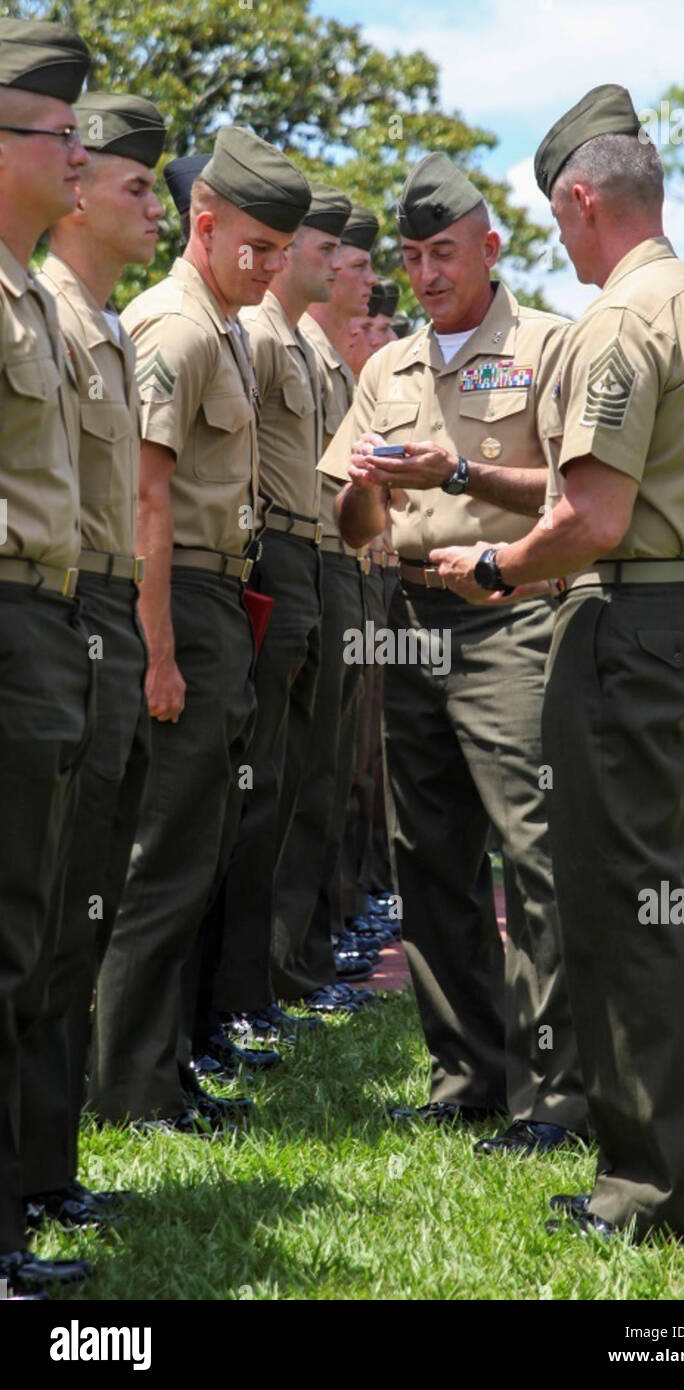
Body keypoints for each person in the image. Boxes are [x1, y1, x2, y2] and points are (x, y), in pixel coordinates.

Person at [431, 85, 684, 1241]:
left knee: (624, 913)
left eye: (558, 224)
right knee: (656, 899)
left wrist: (498, 568)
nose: (560, 247)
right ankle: (670, 1174)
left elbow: (595, 517)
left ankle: (656, 1194)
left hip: (623, 627)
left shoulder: (620, 319)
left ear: (581, 199)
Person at [320, 152, 587, 1153]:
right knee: (426, 854)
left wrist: (460, 466)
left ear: (490, 247)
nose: (427, 275)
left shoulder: (549, 346)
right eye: (412, 258)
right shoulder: (385, 366)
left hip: (511, 611)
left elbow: (574, 490)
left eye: (444, 253)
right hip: (404, 610)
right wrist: (363, 485)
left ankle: (557, 1092)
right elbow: (354, 527)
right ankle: (466, 1074)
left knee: (535, 853)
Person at [87, 126, 310, 1131]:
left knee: (199, 848)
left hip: (221, 598)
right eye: (252, 246)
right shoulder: (175, 329)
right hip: (179, 602)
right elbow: (145, 499)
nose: (267, 267)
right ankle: (129, 1090)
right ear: (203, 225)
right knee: (164, 858)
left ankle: (161, 1067)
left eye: (279, 249)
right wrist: (161, 652)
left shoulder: (220, 324)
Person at [20, 93, 166, 1233]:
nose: (147, 203)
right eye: (132, 181)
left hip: (81, 612)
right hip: (53, 612)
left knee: (69, 910)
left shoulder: (71, 315)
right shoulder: (46, 310)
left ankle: (38, 1169)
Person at [207, 180, 364, 1038]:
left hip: (313, 558)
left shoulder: (292, 344)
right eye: (323, 246)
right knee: (259, 784)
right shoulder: (262, 338)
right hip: (273, 553)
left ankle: (280, 971)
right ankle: (247, 985)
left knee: (302, 778)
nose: (335, 263)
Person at [0, 15, 95, 1298]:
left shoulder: (25, 289)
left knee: (23, 931)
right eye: (59, 133)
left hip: (41, 625)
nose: (77, 152)